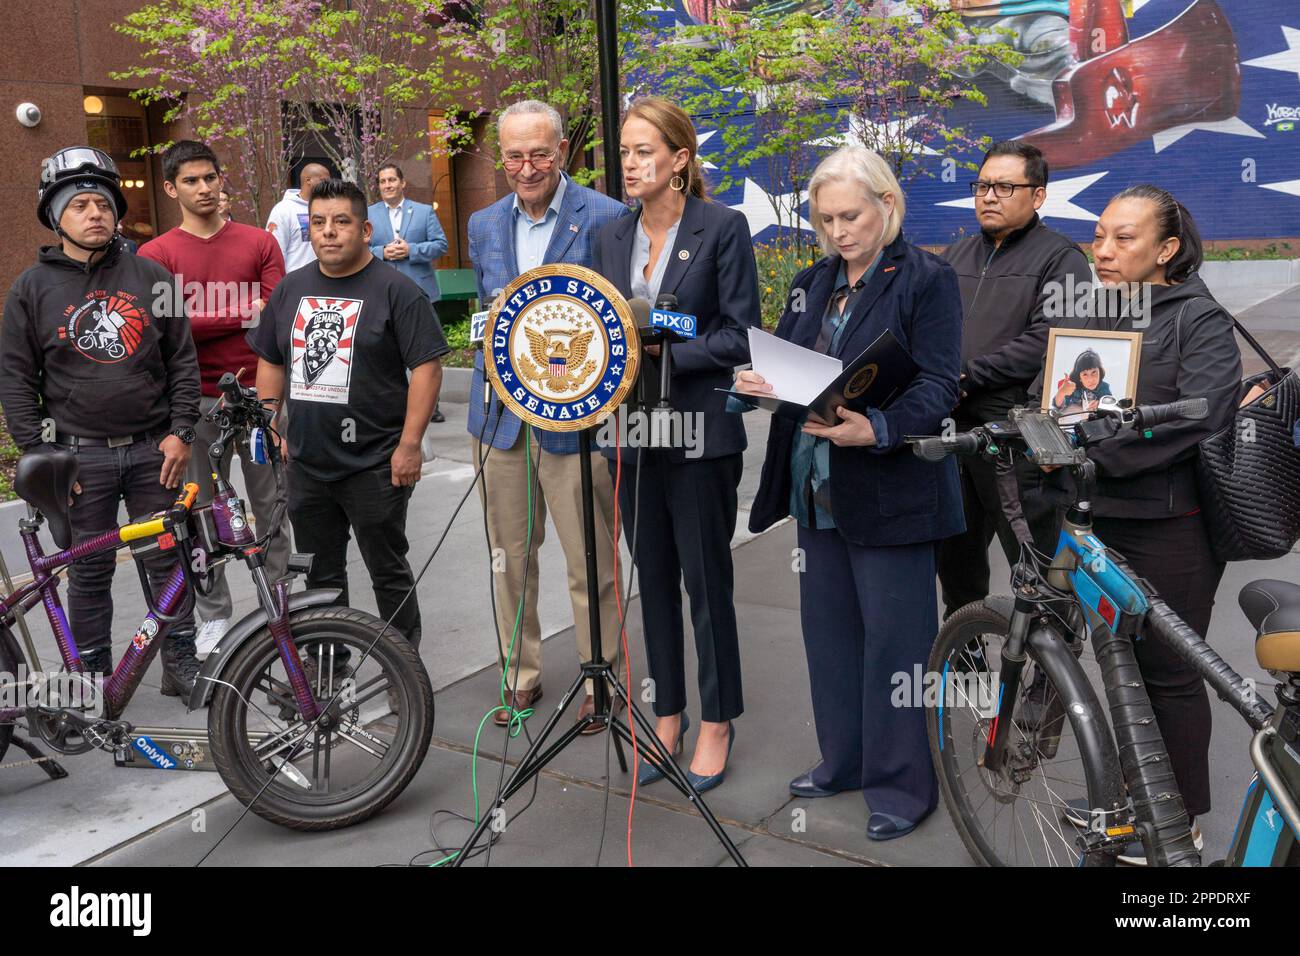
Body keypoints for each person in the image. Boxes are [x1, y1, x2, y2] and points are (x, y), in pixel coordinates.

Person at [737, 146, 964, 839]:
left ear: (887, 206)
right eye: (826, 218)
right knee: (830, 640)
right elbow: (786, 364)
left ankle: (902, 786)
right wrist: (759, 382)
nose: (839, 231)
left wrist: (883, 427)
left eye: (851, 215)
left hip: (890, 489)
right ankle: (845, 759)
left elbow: (941, 382)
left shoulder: (927, 279)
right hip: (816, 490)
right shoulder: (814, 280)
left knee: (897, 648)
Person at [1049, 184, 1242, 863]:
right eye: (1099, 234)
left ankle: (1178, 824)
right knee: (1122, 671)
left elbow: (1204, 414)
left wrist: (1093, 452)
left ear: (1165, 249)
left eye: (1123, 237)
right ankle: (1137, 805)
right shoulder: (1096, 311)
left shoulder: (1199, 318)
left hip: (1170, 527)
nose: (1102, 249)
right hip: (1097, 519)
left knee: (1170, 675)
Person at [592, 96, 759, 792]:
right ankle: (668, 712)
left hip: (698, 430)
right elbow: (602, 322)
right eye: (623, 153)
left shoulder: (722, 228)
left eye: (643, 152)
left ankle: (717, 720)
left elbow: (740, 335)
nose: (629, 165)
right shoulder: (607, 237)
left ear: (680, 159)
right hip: (630, 431)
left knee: (704, 581)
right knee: (651, 579)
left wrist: (655, 342)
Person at [0, 147, 203, 693]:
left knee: (168, 560)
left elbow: (182, 362)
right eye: (80, 205)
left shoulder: (152, 275)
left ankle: (180, 662)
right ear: (55, 216)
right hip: (78, 456)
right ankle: (90, 678)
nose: (95, 214)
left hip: (151, 452)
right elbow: (17, 380)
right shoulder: (31, 290)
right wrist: (44, 458)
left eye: (103, 204)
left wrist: (181, 434)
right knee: (90, 571)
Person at [466, 100, 629, 732]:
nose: (526, 167)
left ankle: (601, 679)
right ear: (499, 157)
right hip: (501, 422)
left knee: (591, 559)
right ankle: (519, 678)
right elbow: (487, 311)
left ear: (561, 151)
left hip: (577, 421)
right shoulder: (483, 226)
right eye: (513, 155)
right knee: (509, 559)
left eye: (539, 153)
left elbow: (622, 319)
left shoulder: (607, 217)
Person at [249, 179, 447, 670]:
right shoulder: (292, 288)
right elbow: (271, 359)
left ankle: (404, 671)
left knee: (388, 570)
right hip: (309, 465)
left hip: (376, 463)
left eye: (340, 222)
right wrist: (272, 422)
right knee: (321, 577)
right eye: (318, 223)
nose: (328, 233)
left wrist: (410, 444)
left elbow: (427, 367)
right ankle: (328, 674)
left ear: (365, 228)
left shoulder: (396, 290)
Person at [138, 140, 290, 658]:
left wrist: (192, 317)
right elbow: (162, 333)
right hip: (192, 403)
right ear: (170, 188)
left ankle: (282, 605)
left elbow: (276, 316)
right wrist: (240, 308)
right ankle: (214, 618)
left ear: (221, 179)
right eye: (191, 181)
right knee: (201, 513)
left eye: (211, 178)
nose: (204, 189)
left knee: (270, 508)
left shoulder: (258, 242)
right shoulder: (155, 255)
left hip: (257, 399)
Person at [937, 140, 1092, 618]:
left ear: (1038, 196)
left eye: (1005, 186)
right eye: (983, 185)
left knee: (1038, 573)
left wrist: (967, 374)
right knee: (957, 570)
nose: (988, 196)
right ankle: (968, 670)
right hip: (953, 432)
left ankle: (1051, 687)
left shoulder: (1062, 258)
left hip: (1016, 440)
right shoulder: (956, 254)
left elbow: (1050, 339)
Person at [368, 163, 450, 424]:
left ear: (403, 183)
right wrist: (381, 252)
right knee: (387, 354)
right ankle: (396, 406)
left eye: (392, 180)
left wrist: (411, 250)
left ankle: (430, 407)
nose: (388, 185)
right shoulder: (368, 214)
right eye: (383, 181)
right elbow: (358, 247)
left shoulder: (424, 212)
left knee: (425, 353)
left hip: (420, 293)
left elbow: (441, 245)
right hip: (382, 291)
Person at [265, 162, 331, 273]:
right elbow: (274, 251)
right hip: (295, 281)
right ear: (308, 180)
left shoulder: (327, 208)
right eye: (324, 181)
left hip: (326, 280)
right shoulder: (284, 209)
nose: (328, 185)